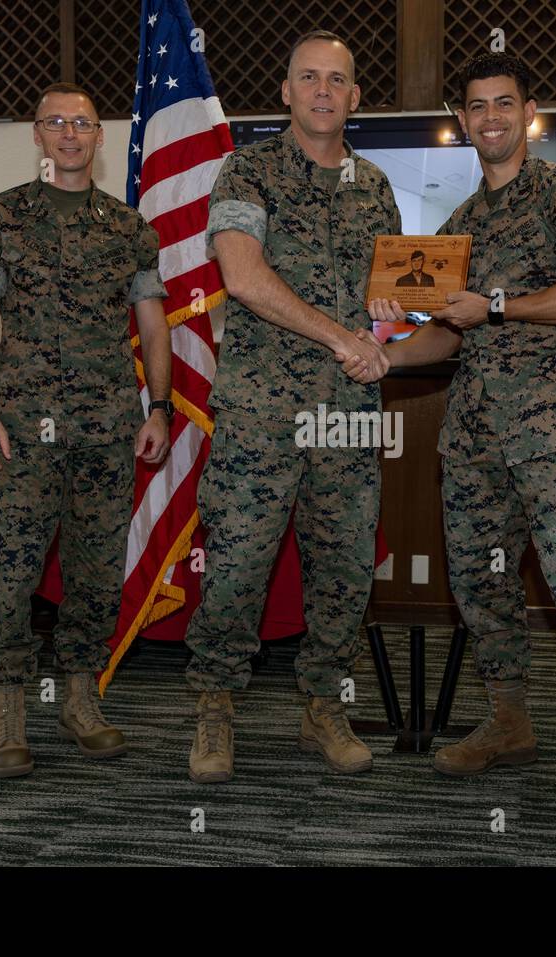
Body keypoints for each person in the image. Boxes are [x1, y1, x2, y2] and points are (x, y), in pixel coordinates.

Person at [359, 53, 556, 820]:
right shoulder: (459, 228)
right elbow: (445, 336)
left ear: (529, 113)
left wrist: (500, 304)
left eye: (503, 105)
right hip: (474, 443)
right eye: (476, 108)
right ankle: (511, 719)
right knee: (482, 591)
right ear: (464, 120)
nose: (490, 119)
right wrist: (379, 354)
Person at [184, 30, 398, 784]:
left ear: (354, 97)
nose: (322, 92)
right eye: (308, 77)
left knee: (343, 573)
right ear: (285, 90)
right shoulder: (247, 171)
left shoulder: (375, 185)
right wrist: (343, 334)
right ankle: (215, 708)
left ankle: (323, 710)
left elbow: (388, 288)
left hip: (349, 416)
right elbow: (241, 276)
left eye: (336, 80)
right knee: (237, 566)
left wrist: (390, 309)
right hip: (260, 417)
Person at [0, 82, 172, 779]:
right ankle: (8, 706)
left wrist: (160, 406)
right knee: (12, 571)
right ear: (37, 133)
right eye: (56, 122)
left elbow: (151, 323)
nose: (70, 134)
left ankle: (81, 697)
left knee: (96, 570)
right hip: (18, 426)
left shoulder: (130, 228)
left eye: (82, 123)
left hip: (107, 425)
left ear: (100, 136)